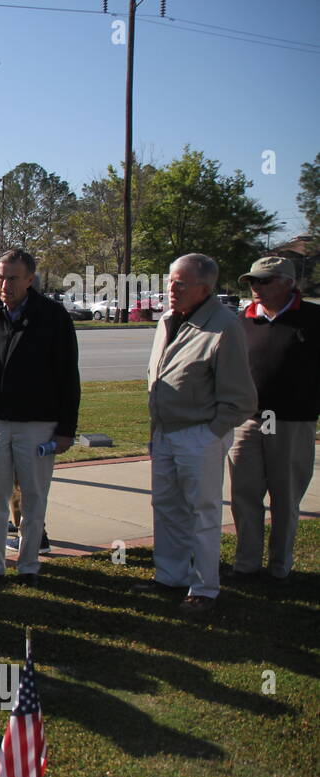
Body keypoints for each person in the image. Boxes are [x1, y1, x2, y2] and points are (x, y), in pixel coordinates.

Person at [139, 253, 256, 613]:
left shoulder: (224, 327)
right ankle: (170, 575)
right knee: (167, 507)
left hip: (199, 435)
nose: (170, 289)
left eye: (180, 283)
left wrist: (210, 435)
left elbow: (241, 399)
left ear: (204, 289)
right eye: (170, 281)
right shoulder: (169, 320)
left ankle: (204, 586)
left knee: (202, 512)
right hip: (165, 433)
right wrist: (156, 430)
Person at [0, 249, 79, 589]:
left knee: (33, 498)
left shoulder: (53, 317)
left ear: (30, 279)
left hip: (37, 425)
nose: (4, 284)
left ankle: (29, 565)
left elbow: (67, 376)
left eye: (13, 277)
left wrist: (65, 430)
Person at [226, 257, 320, 582]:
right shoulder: (242, 321)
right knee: (244, 494)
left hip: (292, 422)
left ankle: (279, 567)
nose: (256, 287)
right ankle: (246, 564)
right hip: (248, 421)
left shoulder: (313, 319)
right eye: (253, 281)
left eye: (264, 281)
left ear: (288, 282)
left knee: (286, 497)